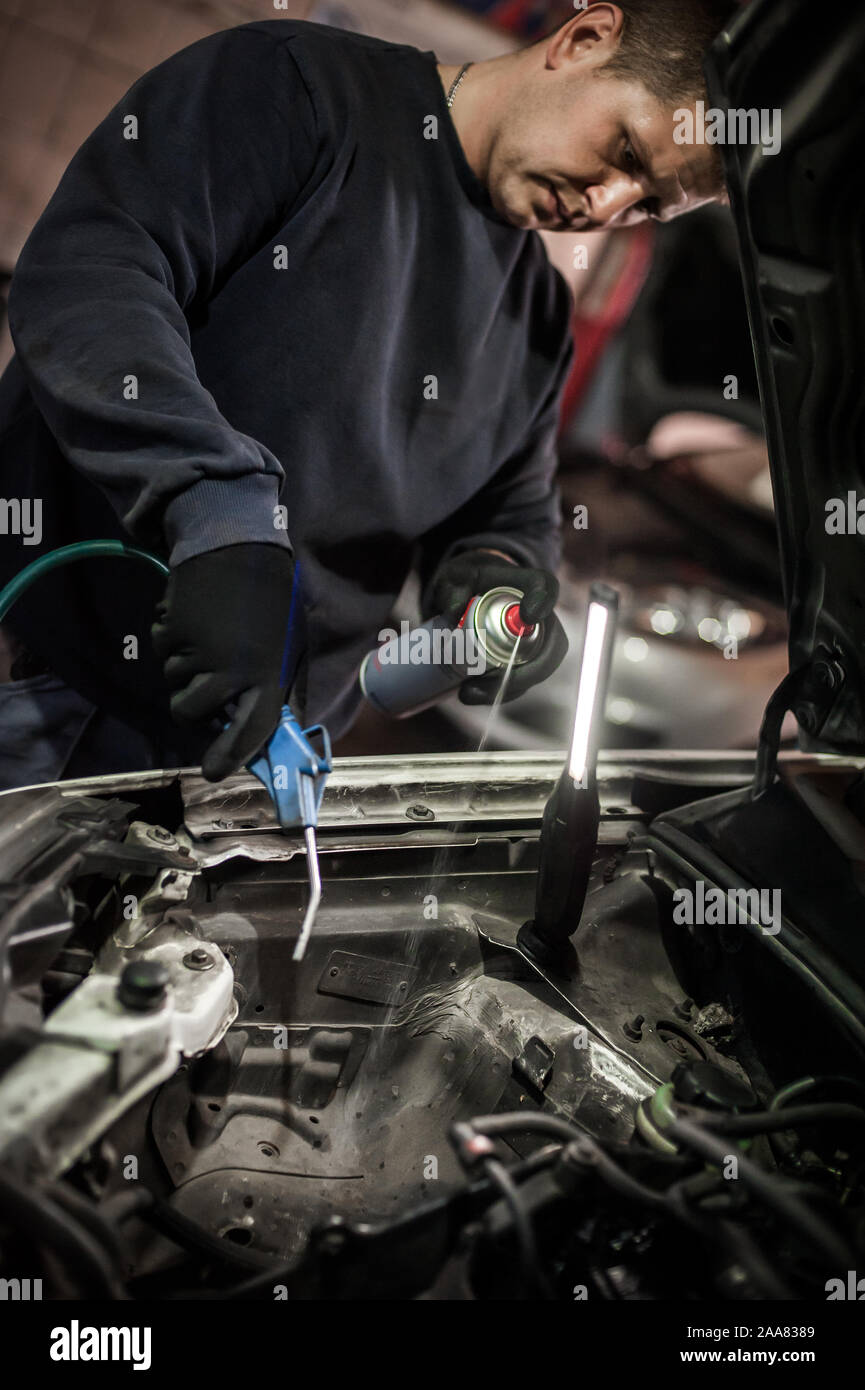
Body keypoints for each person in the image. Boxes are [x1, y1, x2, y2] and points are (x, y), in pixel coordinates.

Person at [0, 1, 729, 789]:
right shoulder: (293, 87)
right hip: (51, 682)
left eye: (649, 204)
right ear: (583, 39)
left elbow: (509, 511)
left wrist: (494, 576)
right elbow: (94, 275)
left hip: (250, 771)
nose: (608, 205)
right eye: (624, 149)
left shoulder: (535, 320)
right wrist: (218, 512)